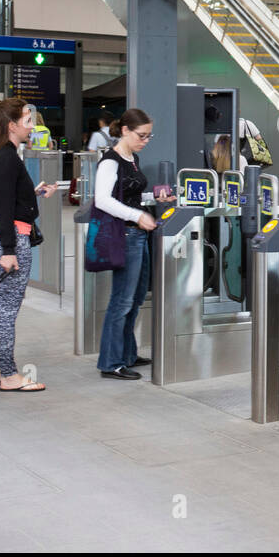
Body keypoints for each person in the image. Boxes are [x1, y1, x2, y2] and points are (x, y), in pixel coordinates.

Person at [0, 98, 56, 392]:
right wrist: (9, 251)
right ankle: (9, 375)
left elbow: (1, 198)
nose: (32, 125)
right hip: (7, 239)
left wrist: (32, 193)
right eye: (26, 120)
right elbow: (5, 208)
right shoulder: (8, 158)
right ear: (11, 126)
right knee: (7, 310)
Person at [94, 109, 173, 379]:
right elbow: (102, 199)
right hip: (125, 235)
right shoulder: (110, 161)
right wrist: (136, 215)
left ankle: (127, 353)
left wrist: (154, 198)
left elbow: (129, 193)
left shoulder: (133, 158)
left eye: (149, 136)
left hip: (138, 235)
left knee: (136, 298)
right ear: (125, 130)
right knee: (122, 300)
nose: (145, 140)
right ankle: (111, 362)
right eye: (142, 135)